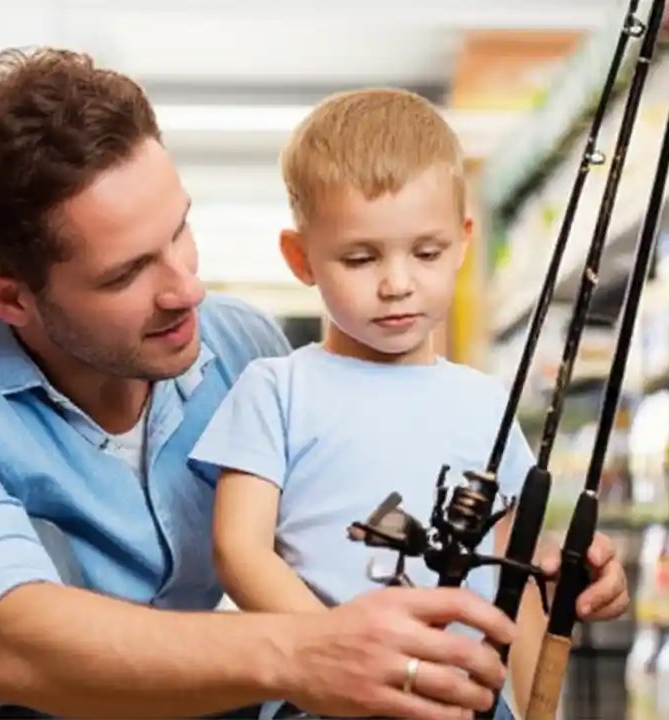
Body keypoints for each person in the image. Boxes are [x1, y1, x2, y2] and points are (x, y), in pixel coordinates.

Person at [0, 46, 629, 720]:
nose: (186, 289)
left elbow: (347, 523)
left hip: (173, 702)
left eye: (180, 232)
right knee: (27, 610)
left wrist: (528, 562)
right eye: (130, 271)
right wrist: (312, 651)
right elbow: (8, 643)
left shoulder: (243, 347)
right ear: (11, 299)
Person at [187, 89, 626, 720]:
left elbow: (514, 576)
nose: (397, 283)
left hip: (470, 701)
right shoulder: (275, 388)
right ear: (299, 258)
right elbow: (239, 551)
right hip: (324, 699)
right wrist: (341, 656)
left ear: (464, 241)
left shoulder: (484, 402)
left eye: (427, 252)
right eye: (360, 257)